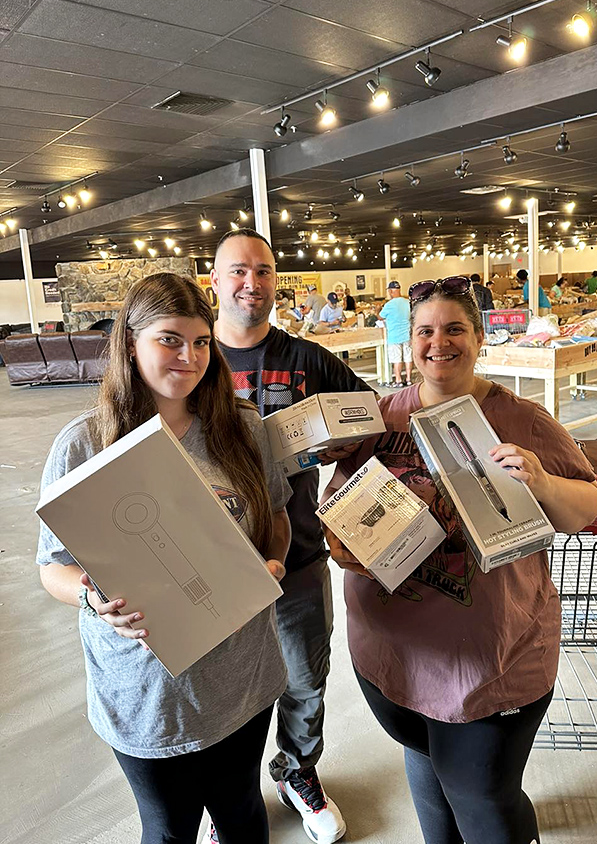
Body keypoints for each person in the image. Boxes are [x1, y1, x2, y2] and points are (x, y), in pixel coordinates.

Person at [322, 276, 597, 844]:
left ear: (478, 337)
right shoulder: (379, 417)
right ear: (410, 340)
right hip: (392, 654)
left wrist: (542, 481)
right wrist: (344, 541)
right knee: (424, 763)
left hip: (489, 662)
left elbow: (587, 508)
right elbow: (343, 510)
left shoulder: (522, 420)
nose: (438, 342)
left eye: (454, 329)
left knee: (482, 798)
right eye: (425, 330)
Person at [36, 273, 292, 844]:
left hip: (241, 672)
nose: (191, 356)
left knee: (241, 812)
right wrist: (90, 596)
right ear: (131, 343)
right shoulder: (84, 444)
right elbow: (52, 567)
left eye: (201, 342)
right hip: (147, 688)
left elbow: (275, 516)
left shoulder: (240, 428)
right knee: (170, 828)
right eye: (170, 340)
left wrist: (272, 563)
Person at [209, 228, 370, 844]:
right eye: (239, 271)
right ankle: (231, 799)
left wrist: (337, 444)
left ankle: (297, 772)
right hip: (214, 568)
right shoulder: (195, 363)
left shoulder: (304, 358)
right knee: (226, 692)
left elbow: (368, 411)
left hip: (298, 556)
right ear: (217, 281)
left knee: (304, 678)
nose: (253, 283)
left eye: (265, 271)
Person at [379, 280, 412, 387]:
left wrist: (377, 310)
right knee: (408, 357)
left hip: (394, 336)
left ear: (391, 291)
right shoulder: (407, 302)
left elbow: (380, 316)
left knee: (396, 358)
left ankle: (398, 380)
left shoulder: (389, 305)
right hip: (407, 335)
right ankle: (408, 379)